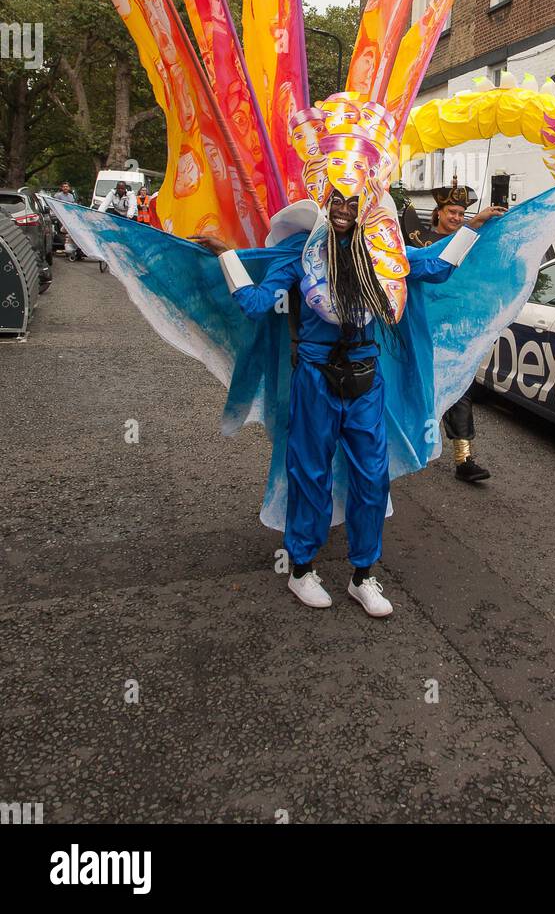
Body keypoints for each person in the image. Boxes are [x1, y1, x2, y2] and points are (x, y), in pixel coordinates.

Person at [198, 191, 462, 617]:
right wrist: (229, 256)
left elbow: (436, 267)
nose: (343, 210)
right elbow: (256, 303)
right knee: (309, 473)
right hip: (316, 380)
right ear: (322, 203)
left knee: (372, 478)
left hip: (366, 380)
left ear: (365, 207)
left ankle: (363, 575)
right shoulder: (300, 249)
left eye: (352, 202)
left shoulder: (381, 249)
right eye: (335, 201)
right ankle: (301, 569)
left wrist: (478, 229)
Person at [402, 181, 506, 484]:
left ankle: (464, 459)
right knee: (413, 388)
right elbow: (436, 262)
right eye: (452, 212)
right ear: (438, 212)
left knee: (459, 388)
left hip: (452, 329)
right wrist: (474, 224)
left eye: (462, 213)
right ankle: (399, 445)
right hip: (418, 327)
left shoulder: (472, 242)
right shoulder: (420, 244)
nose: (456, 217)